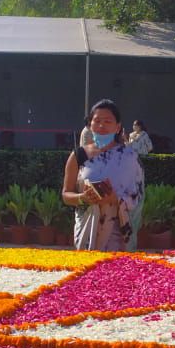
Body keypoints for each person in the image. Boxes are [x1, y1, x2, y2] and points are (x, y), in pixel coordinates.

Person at [62, 99, 145, 251]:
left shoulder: (130, 157)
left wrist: (116, 199)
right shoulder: (78, 156)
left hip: (119, 237)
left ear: (118, 127)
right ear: (90, 125)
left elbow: (139, 197)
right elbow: (66, 195)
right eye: (97, 121)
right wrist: (83, 198)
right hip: (88, 233)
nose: (101, 126)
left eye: (107, 121)